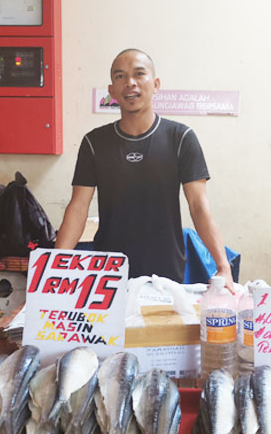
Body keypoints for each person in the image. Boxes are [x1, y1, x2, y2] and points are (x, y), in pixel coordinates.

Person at [55, 48, 233, 288]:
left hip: (167, 270)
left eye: (139, 74)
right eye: (120, 76)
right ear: (111, 90)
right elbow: (78, 207)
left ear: (156, 84)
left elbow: (198, 206)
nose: (130, 83)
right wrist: (54, 266)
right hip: (110, 269)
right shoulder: (94, 142)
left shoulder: (180, 138)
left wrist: (223, 266)